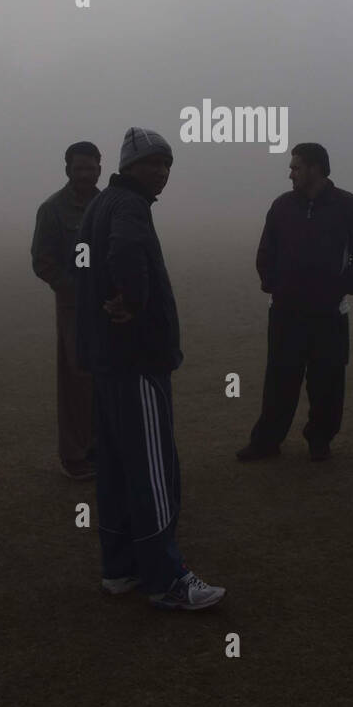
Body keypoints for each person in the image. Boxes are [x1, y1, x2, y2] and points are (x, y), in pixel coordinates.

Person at [76, 127, 225, 611]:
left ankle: (119, 568)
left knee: (118, 467)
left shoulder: (99, 204)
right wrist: (133, 302)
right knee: (153, 467)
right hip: (136, 359)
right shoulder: (129, 207)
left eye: (166, 164)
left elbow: (85, 264)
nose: (161, 172)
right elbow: (124, 251)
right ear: (129, 166)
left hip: (108, 360)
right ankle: (166, 579)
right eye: (152, 163)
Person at [237, 142, 353, 462]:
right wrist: (272, 284)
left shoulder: (348, 206)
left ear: (315, 168)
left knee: (328, 381)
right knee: (279, 380)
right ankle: (266, 442)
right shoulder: (282, 206)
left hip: (330, 315)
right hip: (285, 312)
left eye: (296, 167)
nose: (290, 174)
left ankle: (320, 439)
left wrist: (343, 288)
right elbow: (266, 249)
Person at [31, 142, 101, 479]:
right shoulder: (53, 209)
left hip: (110, 306)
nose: (86, 175)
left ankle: (101, 449)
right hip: (75, 308)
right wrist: (77, 290)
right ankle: (74, 456)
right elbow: (43, 262)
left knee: (107, 379)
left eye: (91, 168)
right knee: (77, 382)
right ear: (68, 170)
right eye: (79, 169)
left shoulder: (108, 204)